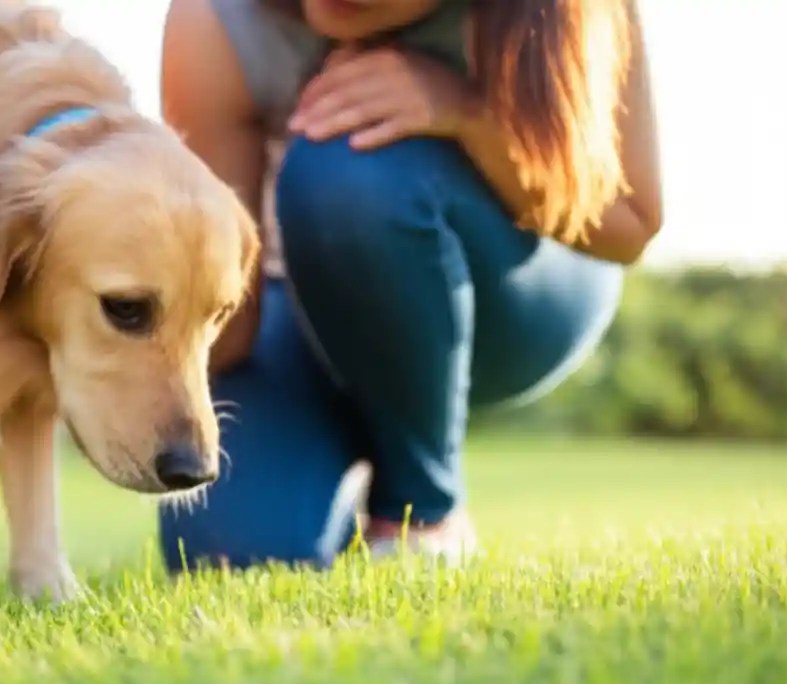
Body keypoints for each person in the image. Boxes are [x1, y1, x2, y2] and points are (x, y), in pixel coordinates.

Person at [156, 0, 664, 570]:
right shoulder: (216, 20)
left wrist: (468, 114)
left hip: (520, 294)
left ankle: (421, 511)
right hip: (299, 315)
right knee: (234, 552)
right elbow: (234, 321)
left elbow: (630, 226)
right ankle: (347, 449)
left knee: (351, 164)